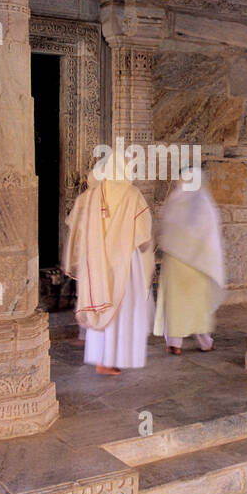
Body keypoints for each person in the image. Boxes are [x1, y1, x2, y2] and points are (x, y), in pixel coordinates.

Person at [63, 155, 154, 376]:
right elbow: (143, 232)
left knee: (99, 304)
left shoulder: (88, 196)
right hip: (124, 263)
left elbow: (72, 225)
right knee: (122, 309)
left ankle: (99, 357)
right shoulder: (133, 195)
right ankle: (112, 358)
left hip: (94, 262)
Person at [154, 167, 225, 354]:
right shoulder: (202, 201)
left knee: (174, 302)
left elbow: (165, 225)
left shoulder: (175, 199)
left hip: (174, 261)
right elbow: (207, 233)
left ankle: (174, 343)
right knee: (197, 303)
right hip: (196, 262)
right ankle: (205, 342)